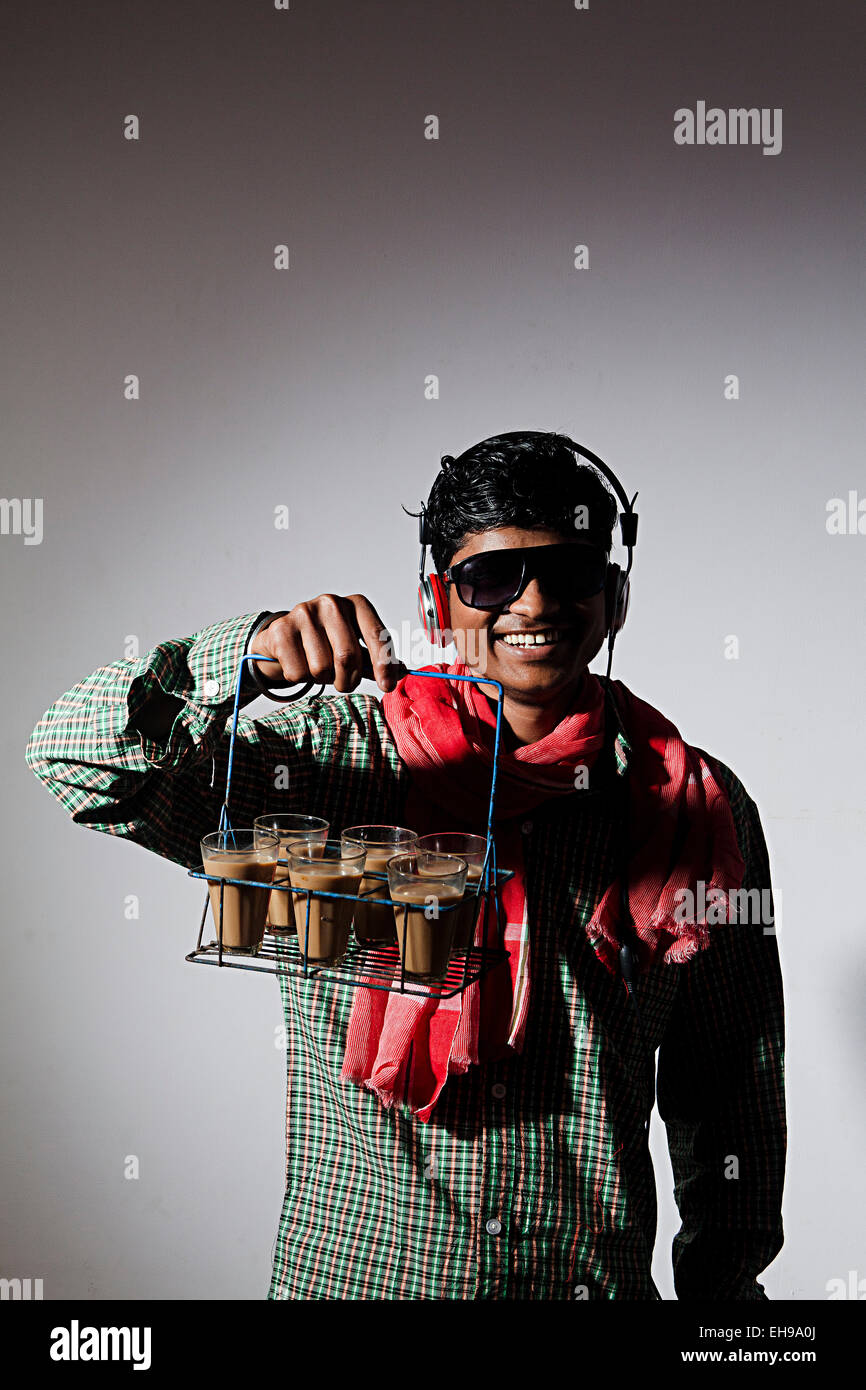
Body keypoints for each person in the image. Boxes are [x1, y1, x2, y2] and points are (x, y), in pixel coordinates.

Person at [25, 430, 786, 1300]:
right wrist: (239, 660)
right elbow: (73, 761)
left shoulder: (695, 812)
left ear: (614, 598)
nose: (531, 604)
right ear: (438, 603)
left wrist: (729, 1309)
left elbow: (733, 1090)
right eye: (491, 577)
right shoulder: (324, 766)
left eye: (568, 572)